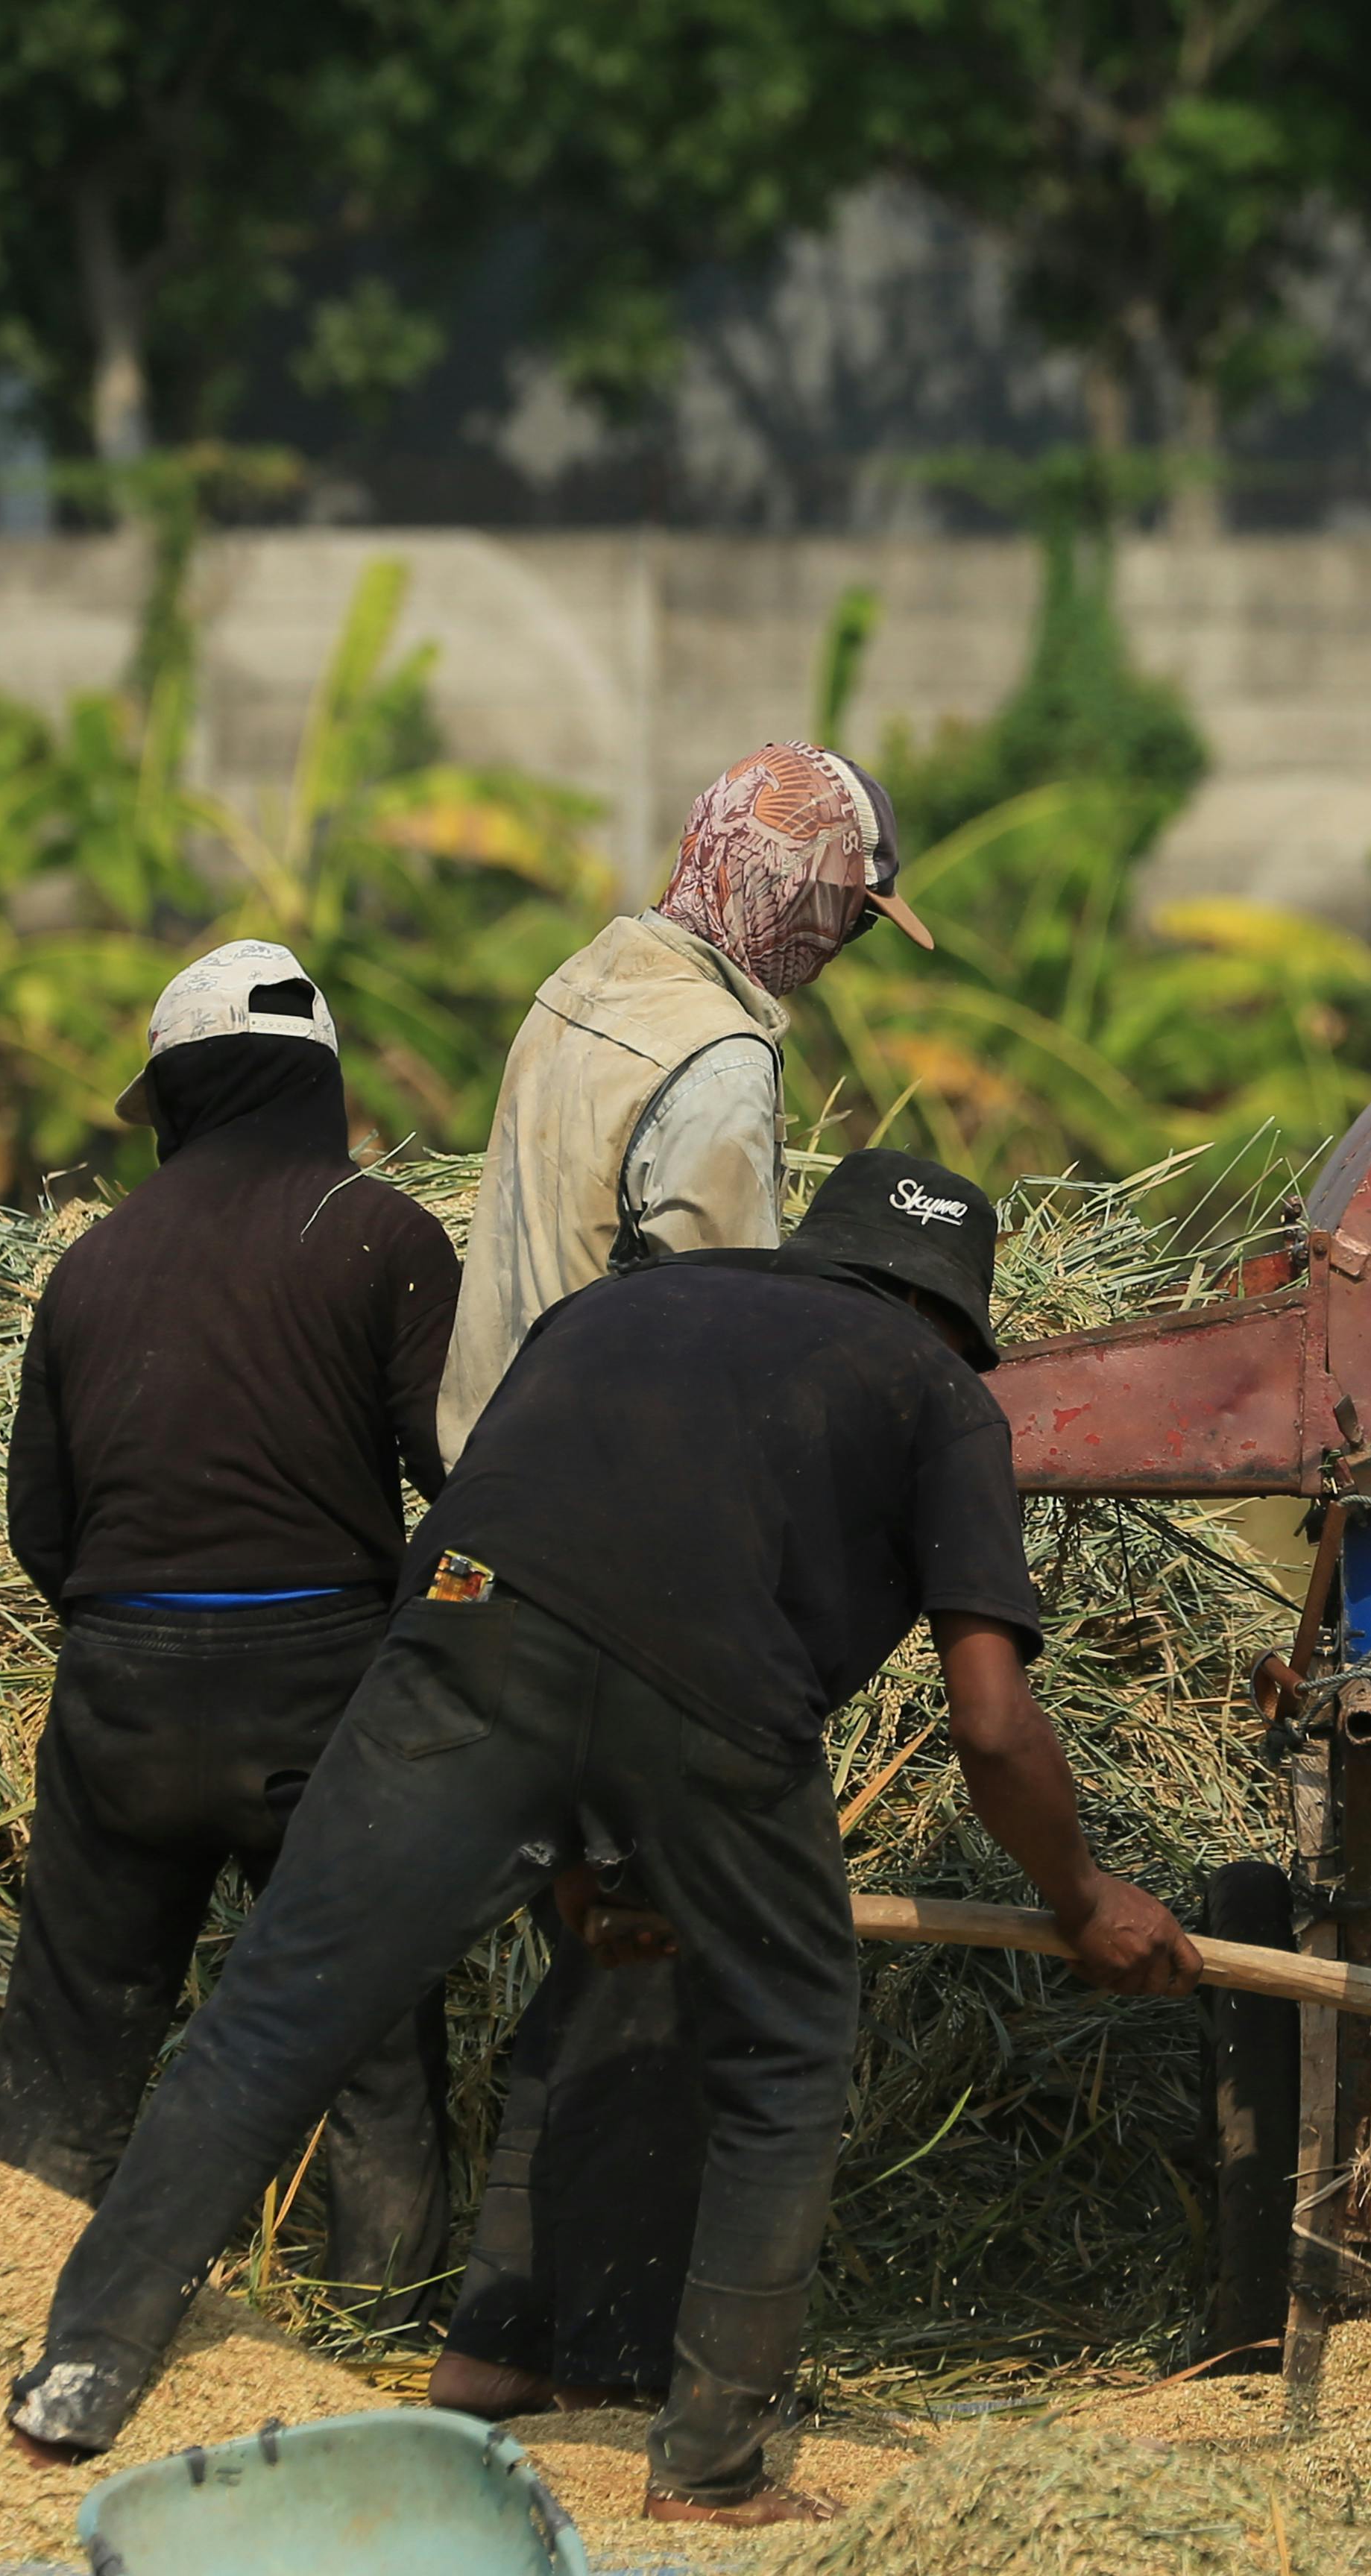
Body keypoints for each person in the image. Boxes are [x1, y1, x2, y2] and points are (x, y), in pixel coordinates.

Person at [4, 1149, 1201, 2527]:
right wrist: (1084, 1894)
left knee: (279, 2005)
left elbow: (510, 1527)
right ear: (952, 1314)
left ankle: (78, 2373)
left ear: (816, 1250)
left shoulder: (618, 1308)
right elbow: (992, 1721)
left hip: (459, 1624)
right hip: (713, 1689)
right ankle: (711, 2469)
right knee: (787, 2055)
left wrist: (573, 1866)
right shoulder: (937, 1393)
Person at [426, 742, 931, 2421]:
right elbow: (715, 1352)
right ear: (790, 902)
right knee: (672, 1956)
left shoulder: (586, 983)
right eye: (849, 920)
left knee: (588, 1942)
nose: (845, 951)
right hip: (616, 1548)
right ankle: (631, 2375)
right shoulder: (715, 1066)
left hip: (486, 1506)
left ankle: (494, 2341)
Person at [0, 939, 462, 2322]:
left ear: (181, 1100)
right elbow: (454, 1477)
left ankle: (7, 2312)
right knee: (367, 2038)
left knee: (76, 2043)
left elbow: (44, 1532)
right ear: (312, 1085)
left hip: (121, 1697)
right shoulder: (380, 1234)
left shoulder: (91, 1270)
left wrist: (145, 1629)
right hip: (321, 1692)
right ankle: (374, 2334)